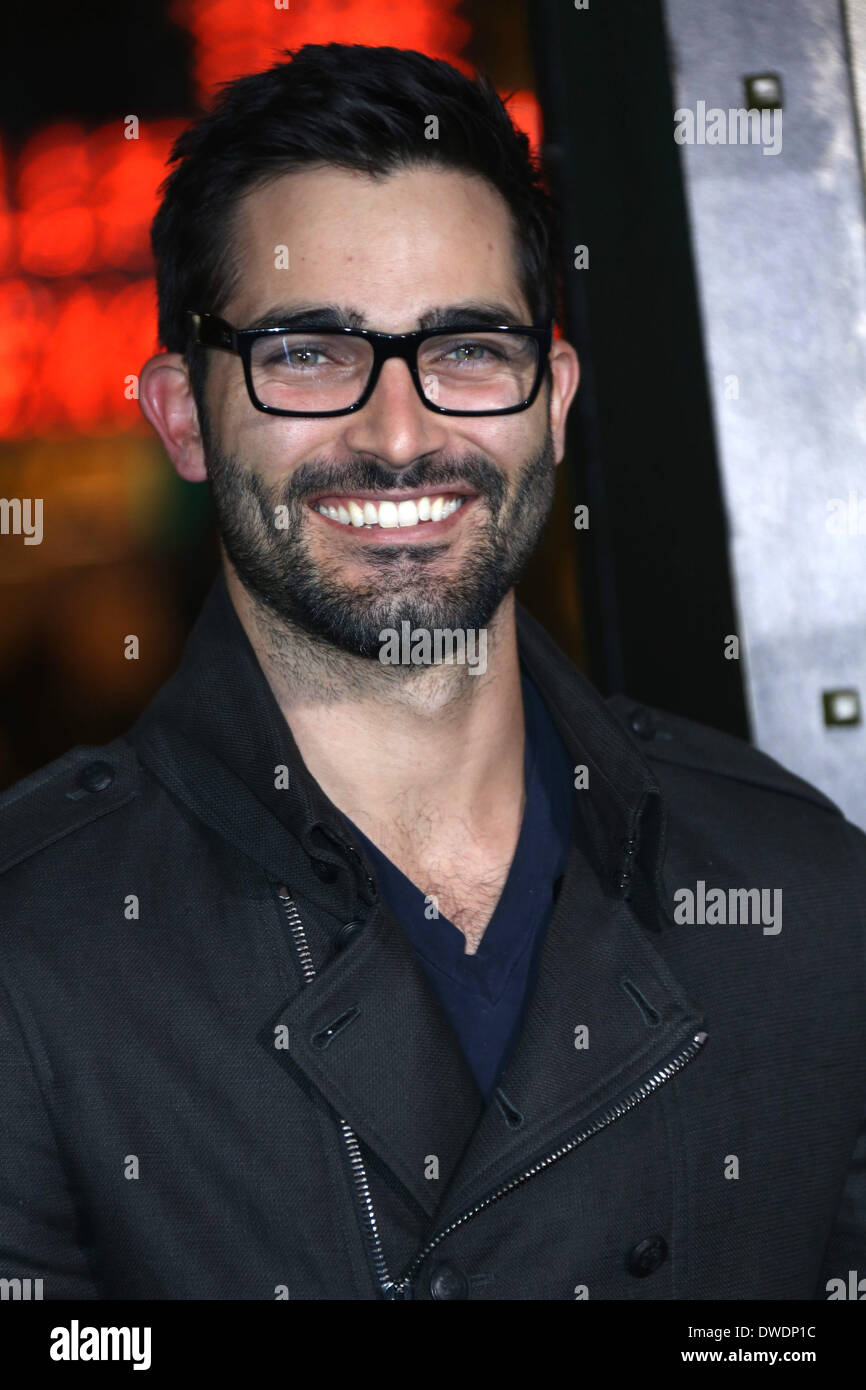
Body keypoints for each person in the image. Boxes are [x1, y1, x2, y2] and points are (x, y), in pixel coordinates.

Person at [1, 43, 865, 1302]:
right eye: (307, 354)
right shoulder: (32, 949)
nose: (398, 435)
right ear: (184, 415)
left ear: (552, 404)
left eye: (465, 348)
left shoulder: (802, 890)